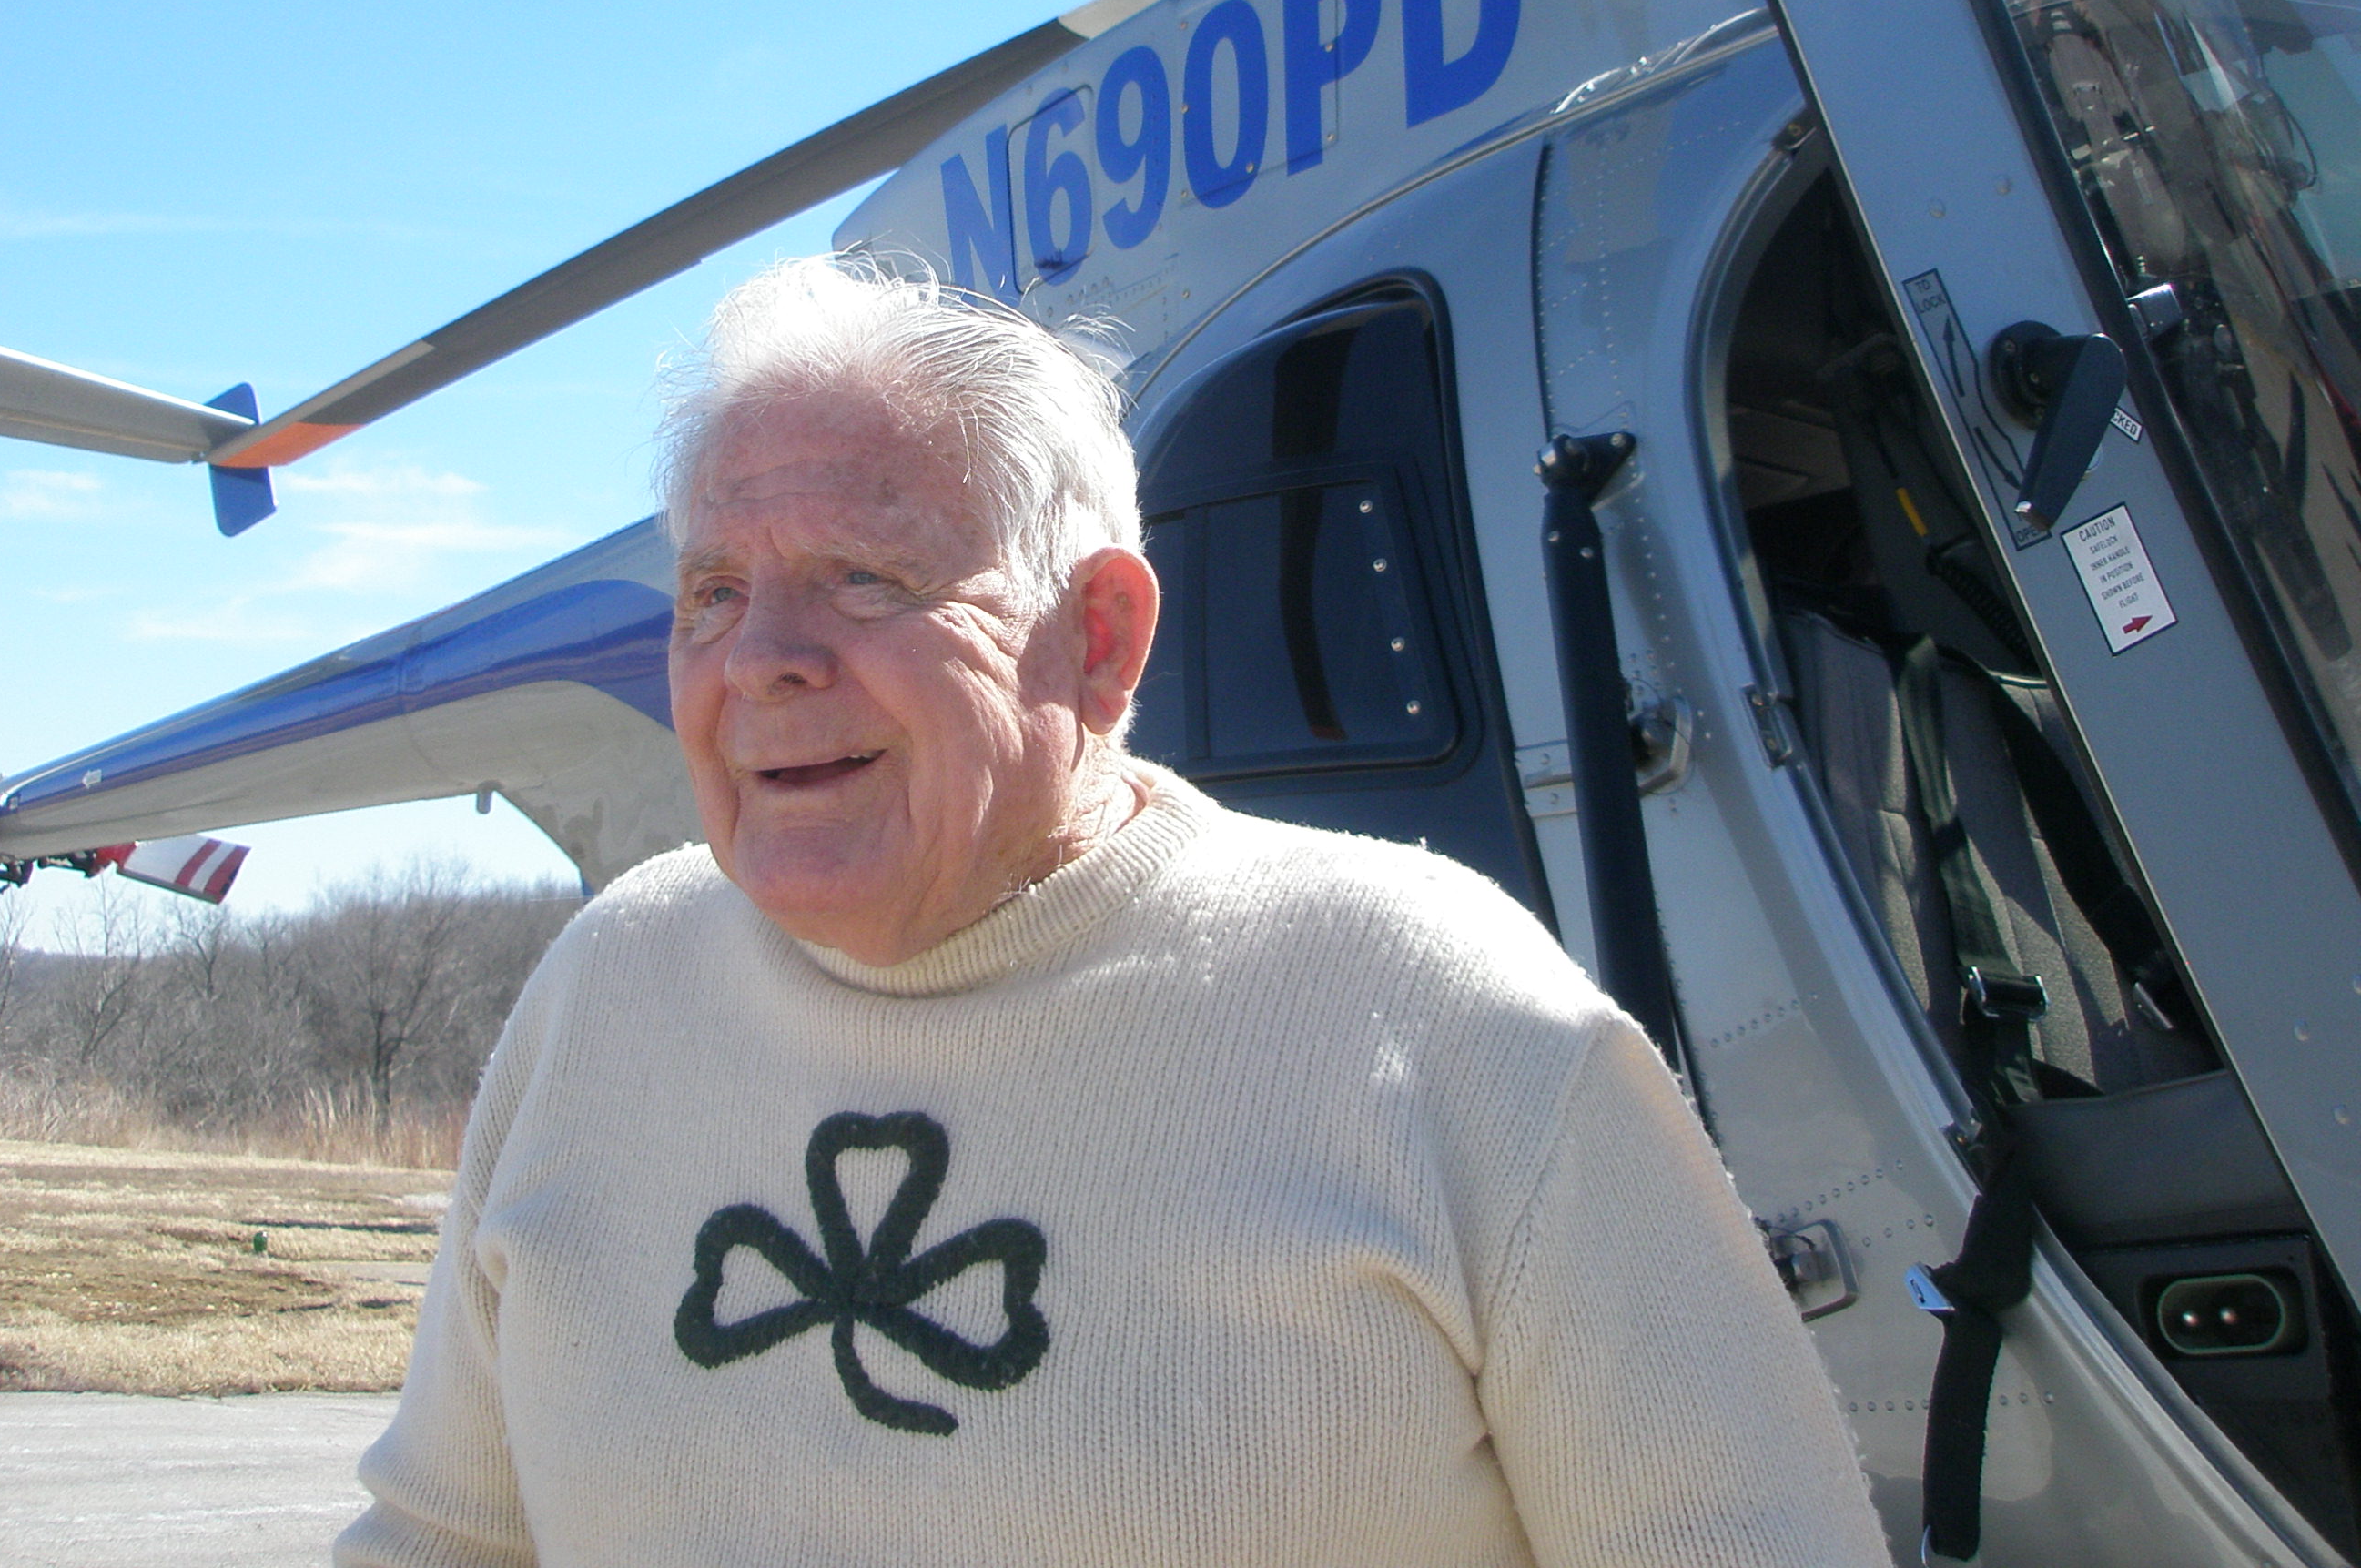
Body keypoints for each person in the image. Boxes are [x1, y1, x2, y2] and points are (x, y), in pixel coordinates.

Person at [337, 258, 1889, 1567]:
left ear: (1096, 636)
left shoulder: (1441, 1012)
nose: (760, 661)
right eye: (712, 593)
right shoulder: (609, 987)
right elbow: (442, 1540)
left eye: (864, 577)